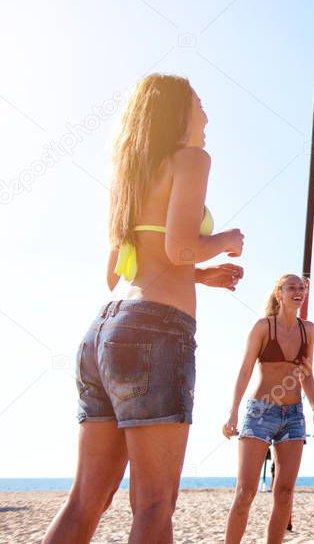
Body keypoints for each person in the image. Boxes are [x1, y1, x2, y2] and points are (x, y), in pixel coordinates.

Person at [44, 74, 245, 544]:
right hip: (157, 333)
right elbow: (179, 248)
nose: (207, 116)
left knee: (84, 502)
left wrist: (199, 275)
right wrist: (223, 243)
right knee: (154, 507)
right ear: (177, 111)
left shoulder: (130, 176)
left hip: (103, 334)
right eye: (200, 105)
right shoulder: (192, 159)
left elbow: (118, 273)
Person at [223, 273, 314, 544]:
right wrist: (233, 411)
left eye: (301, 288)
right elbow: (245, 370)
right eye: (291, 288)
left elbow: (307, 374)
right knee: (245, 492)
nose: (297, 291)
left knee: (285, 492)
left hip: (293, 417)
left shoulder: (308, 330)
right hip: (259, 413)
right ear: (279, 294)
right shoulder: (263, 327)